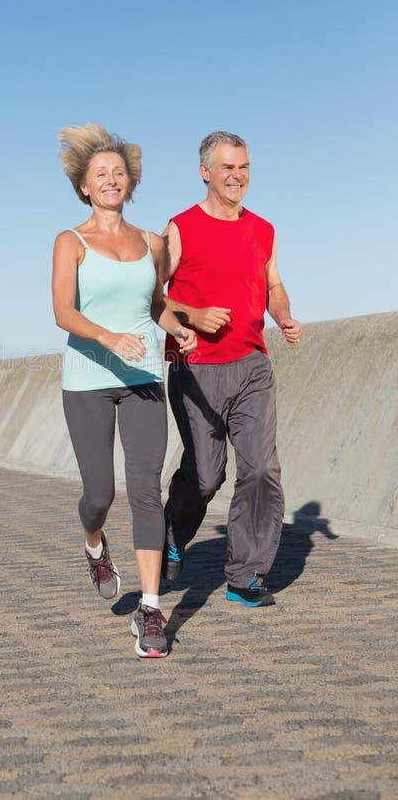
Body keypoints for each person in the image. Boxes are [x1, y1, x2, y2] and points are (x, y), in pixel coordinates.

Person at [52, 122, 197, 657]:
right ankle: (94, 544)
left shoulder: (150, 242)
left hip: (141, 381)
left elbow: (155, 302)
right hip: (88, 381)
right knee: (100, 495)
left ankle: (151, 610)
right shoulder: (70, 241)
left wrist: (176, 327)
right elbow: (63, 311)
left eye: (119, 173)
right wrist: (109, 337)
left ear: (129, 183)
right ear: (85, 186)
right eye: (101, 174)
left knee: (145, 490)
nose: (111, 180)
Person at [161, 131, 302, 607]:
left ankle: (246, 576)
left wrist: (281, 314)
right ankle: (173, 534)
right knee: (205, 477)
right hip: (195, 367)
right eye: (226, 168)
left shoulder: (263, 229)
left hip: (251, 365)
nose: (237, 176)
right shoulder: (180, 228)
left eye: (243, 167)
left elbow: (274, 283)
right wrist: (194, 316)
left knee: (262, 469)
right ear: (205, 172)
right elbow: (150, 295)